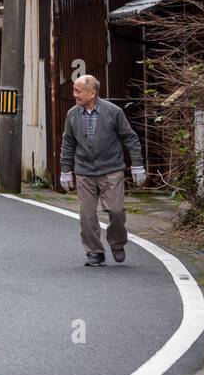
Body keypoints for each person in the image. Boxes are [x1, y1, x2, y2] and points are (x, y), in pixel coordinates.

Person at [59, 74, 146, 266]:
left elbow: (130, 138)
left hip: (111, 170)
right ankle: (94, 252)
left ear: (92, 93)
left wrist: (137, 165)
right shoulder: (72, 114)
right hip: (84, 171)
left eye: (78, 91)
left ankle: (117, 243)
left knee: (116, 211)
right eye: (74, 90)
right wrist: (65, 170)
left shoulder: (113, 112)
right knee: (87, 214)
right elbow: (68, 142)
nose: (74, 95)